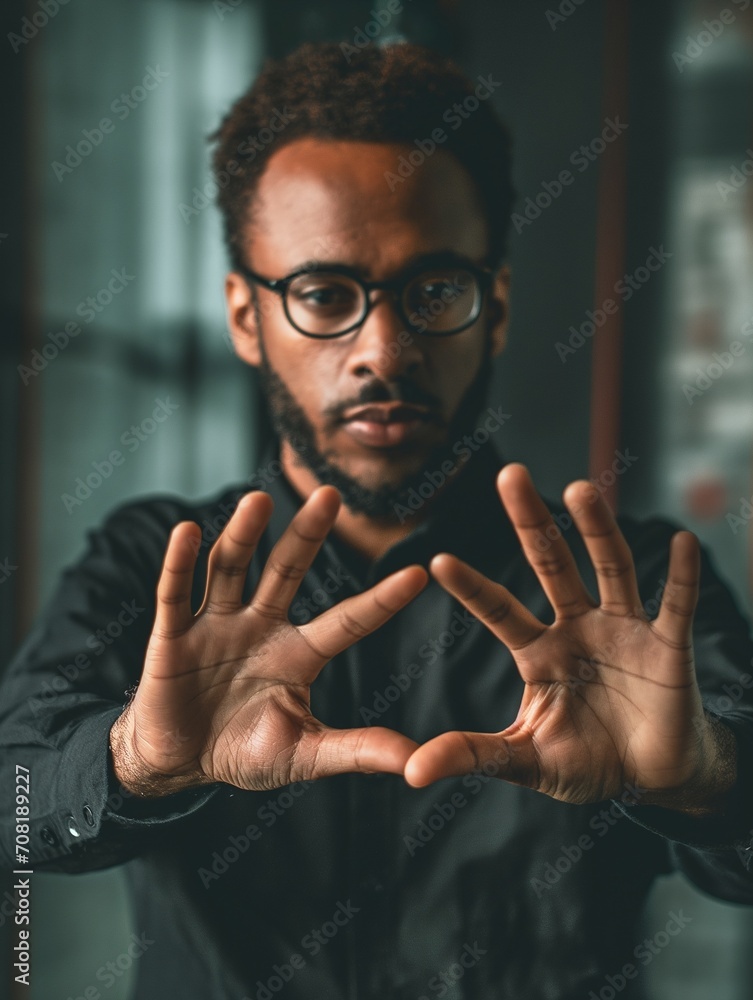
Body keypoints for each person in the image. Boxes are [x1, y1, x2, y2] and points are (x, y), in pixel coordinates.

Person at [2, 40, 753, 1000]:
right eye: (323, 294)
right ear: (244, 317)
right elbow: (14, 812)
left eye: (433, 290)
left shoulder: (639, 591)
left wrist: (708, 782)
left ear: (498, 308)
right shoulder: (154, 566)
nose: (382, 351)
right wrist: (133, 765)